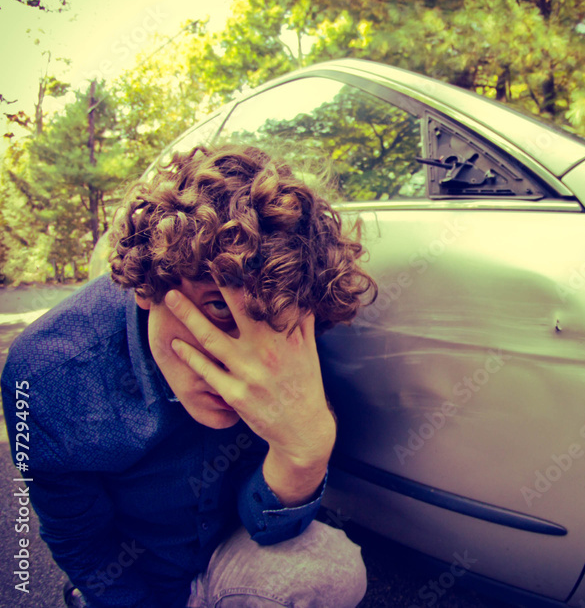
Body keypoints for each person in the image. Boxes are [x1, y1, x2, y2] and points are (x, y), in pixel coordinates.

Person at [1, 144, 377, 607]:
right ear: (147, 286)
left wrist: (304, 453)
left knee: (330, 569)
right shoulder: (45, 373)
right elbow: (82, 542)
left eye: (272, 322)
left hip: (226, 553)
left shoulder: (286, 326)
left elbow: (269, 527)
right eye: (218, 307)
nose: (248, 366)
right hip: (139, 577)